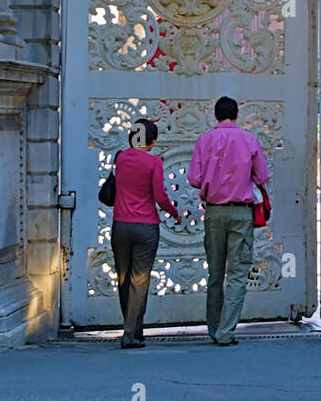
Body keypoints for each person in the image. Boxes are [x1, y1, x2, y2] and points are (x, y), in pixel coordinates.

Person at [188, 96, 270, 346]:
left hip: (213, 211)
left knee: (215, 272)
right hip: (241, 213)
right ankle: (226, 331)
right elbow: (262, 175)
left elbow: (193, 178)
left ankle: (213, 328)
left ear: (216, 115)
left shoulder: (204, 140)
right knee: (236, 273)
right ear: (236, 116)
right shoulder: (249, 140)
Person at [110, 117, 181, 349]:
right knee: (139, 281)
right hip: (146, 227)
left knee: (123, 278)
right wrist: (174, 213)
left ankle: (133, 330)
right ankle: (130, 334)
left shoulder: (120, 158)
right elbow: (159, 196)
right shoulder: (153, 163)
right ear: (151, 142)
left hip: (120, 225)